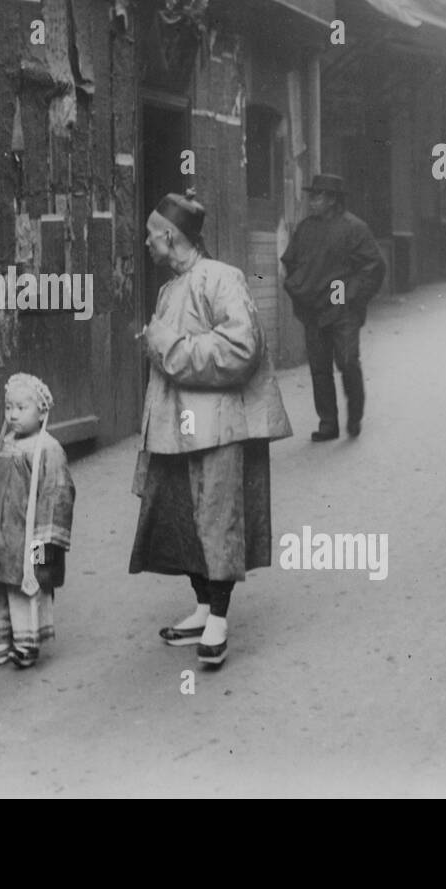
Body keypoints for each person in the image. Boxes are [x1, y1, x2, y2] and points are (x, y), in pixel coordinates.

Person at [130, 191, 292, 668]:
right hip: (174, 428)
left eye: (149, 235)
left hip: (217, 428)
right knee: (182, 516)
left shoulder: (223, 278)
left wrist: (168, 347)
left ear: (168, 235)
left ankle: (219, 618)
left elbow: (242, 351)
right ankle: (202, 607)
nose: (145, 243)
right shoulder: (169, 289)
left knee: (218, 518)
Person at [0, 373, 75, 670]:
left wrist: (43, 544)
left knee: (27, 582)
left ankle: (25, 642)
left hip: (28, 538)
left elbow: (57, 493)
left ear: (42, 412)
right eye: (9, 407)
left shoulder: (48, 449)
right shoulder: (7, 441)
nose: (12, 414)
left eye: (22, 408)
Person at [281, 173, 386, 441]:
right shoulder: (306, 228)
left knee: (348, 362)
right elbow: (291, 261)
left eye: (317, 197)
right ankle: (328, 423)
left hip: (343, 310)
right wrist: (299, 287)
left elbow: (374, 266)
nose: (312, 202)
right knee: (319, 368)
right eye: (312, 197)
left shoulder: (354, 228)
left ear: (331, 200)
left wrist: (350, 295)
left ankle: (354, 416)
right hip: (314, 309)